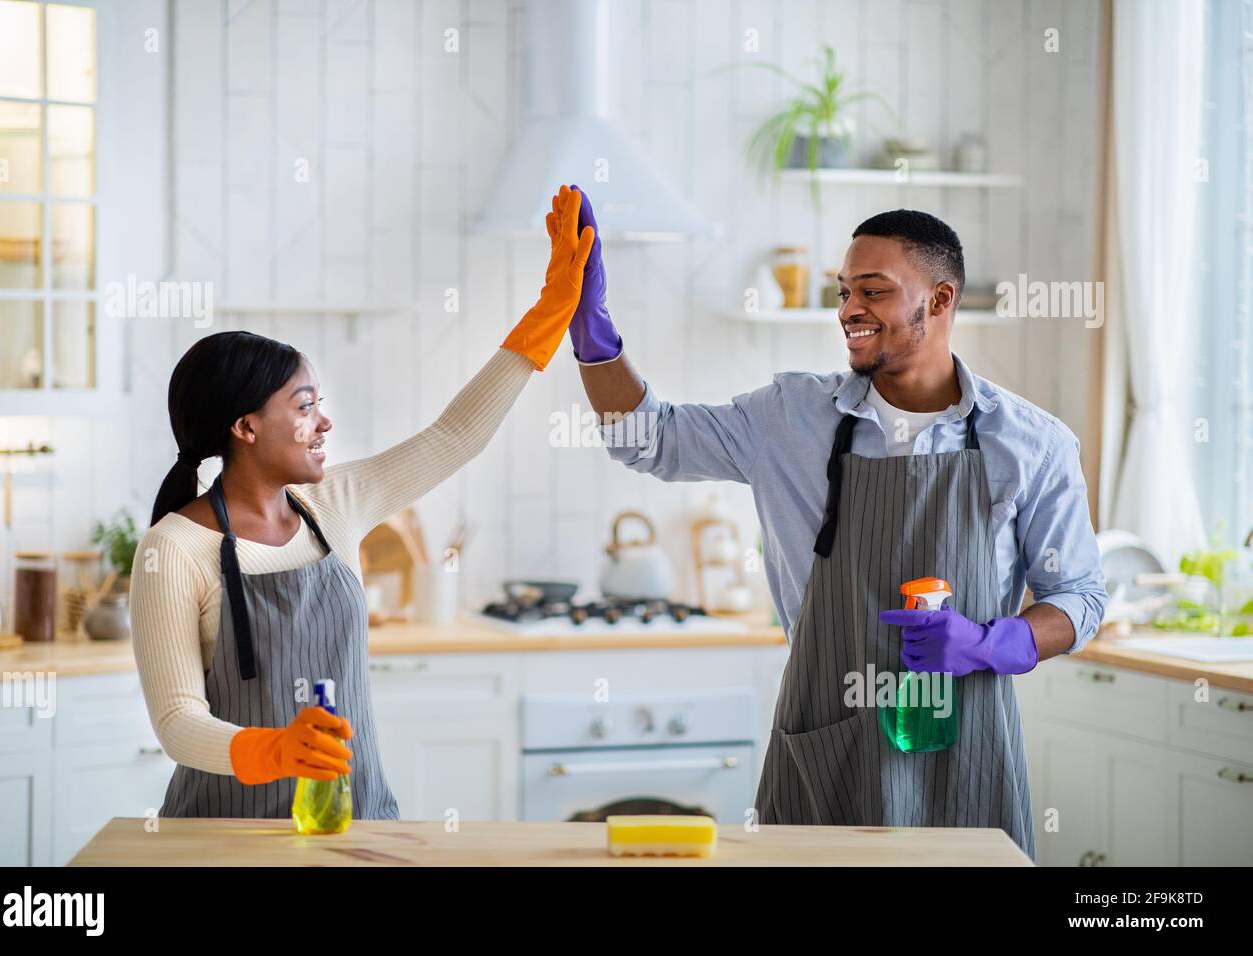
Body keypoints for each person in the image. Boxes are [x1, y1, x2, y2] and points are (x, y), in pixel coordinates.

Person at [570, 193, 1107, 858]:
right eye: (844, 291)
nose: (850, 310)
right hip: (824, 741)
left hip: (961, 748)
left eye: (873, 291)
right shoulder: (788, 417)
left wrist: (990, 644)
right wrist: (593, 334)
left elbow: (1080, 599)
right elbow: (649, 439)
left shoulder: (1031, 443)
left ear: (939, 302)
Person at [131, 187, 594, 819]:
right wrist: (276, 751)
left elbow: (454, 436)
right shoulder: (175, 549)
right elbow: (178, 722)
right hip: (226, 837)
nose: (324, 422)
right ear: (245, 427)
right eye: (304, 406)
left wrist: (548, 315)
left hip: (355, 823)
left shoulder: (333, 504)